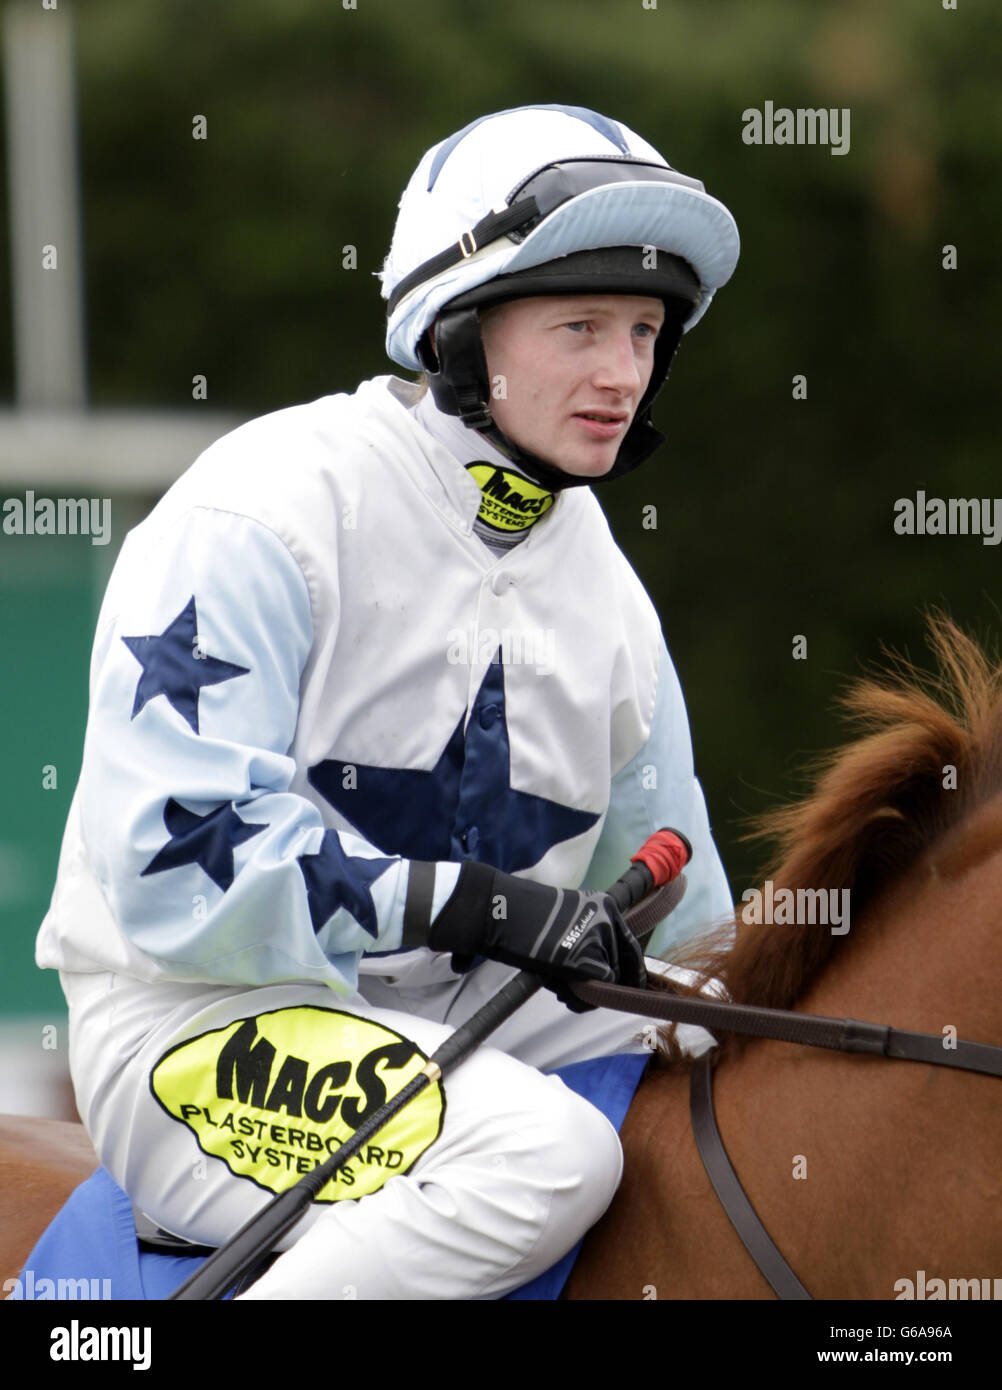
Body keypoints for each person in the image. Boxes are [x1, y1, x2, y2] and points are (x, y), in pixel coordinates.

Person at [36, 103, 739, 1300]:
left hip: (468, 1023)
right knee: (544, 1154)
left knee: (755, 1075)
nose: (623, 373)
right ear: (458, 331)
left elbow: (692, 929)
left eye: (643, 331)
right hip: (194, 1020)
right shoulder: (263, 508)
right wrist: (482, 905)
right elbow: (176, 860)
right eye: (579, 326)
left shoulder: (610, 597)